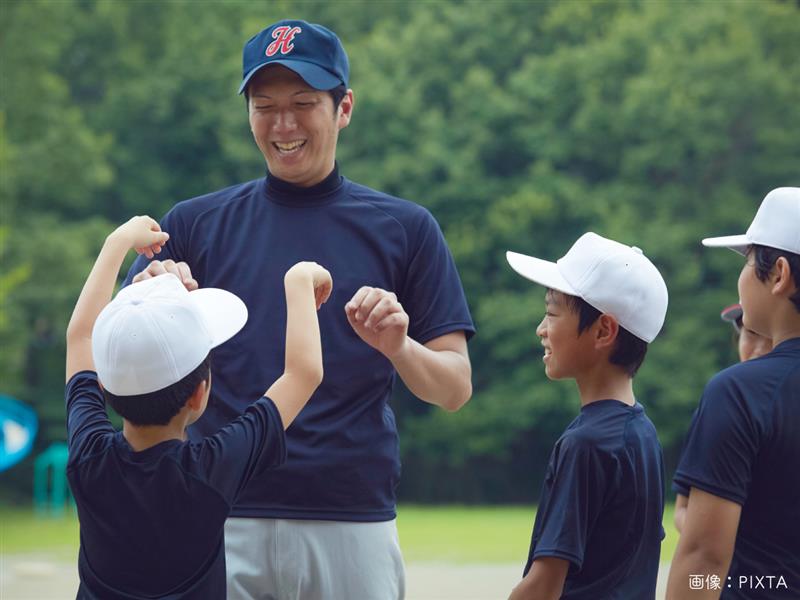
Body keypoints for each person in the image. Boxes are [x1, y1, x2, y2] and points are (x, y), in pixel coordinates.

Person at [124, 19, 475, 599]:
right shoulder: (193, 224)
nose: (282, 125)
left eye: (303, 104)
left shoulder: (405, 228)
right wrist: (151, 298)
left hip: (351, 522)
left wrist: (399, 347)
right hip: (217, 511)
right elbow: (122, 366)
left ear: (344, 108)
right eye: (264, 106)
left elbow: (455, 388)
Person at [65, 215, 332, 598]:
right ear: (199, 393)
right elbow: (303, 373)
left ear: (104, 384)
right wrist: (299, 280)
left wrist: (117, 242)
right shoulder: (210, 469)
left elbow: (80, 337)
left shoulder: (89, 458)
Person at [505, 232, 668, 600]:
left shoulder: (585, 444)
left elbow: (544, 585)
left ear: (603, 330)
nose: (541, 329)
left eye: (551, 313)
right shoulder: (644, 433)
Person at [667, 187, 800, 599]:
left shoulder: (739, 393)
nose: (740, 277)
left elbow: (704, 560)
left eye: (746, 261)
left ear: (778, 274)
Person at [673, 302, 772, 534]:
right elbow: (682, 509)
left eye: (769, 335)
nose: (759, 349)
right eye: (750, 333)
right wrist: (721, 540)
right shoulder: (721, 402)